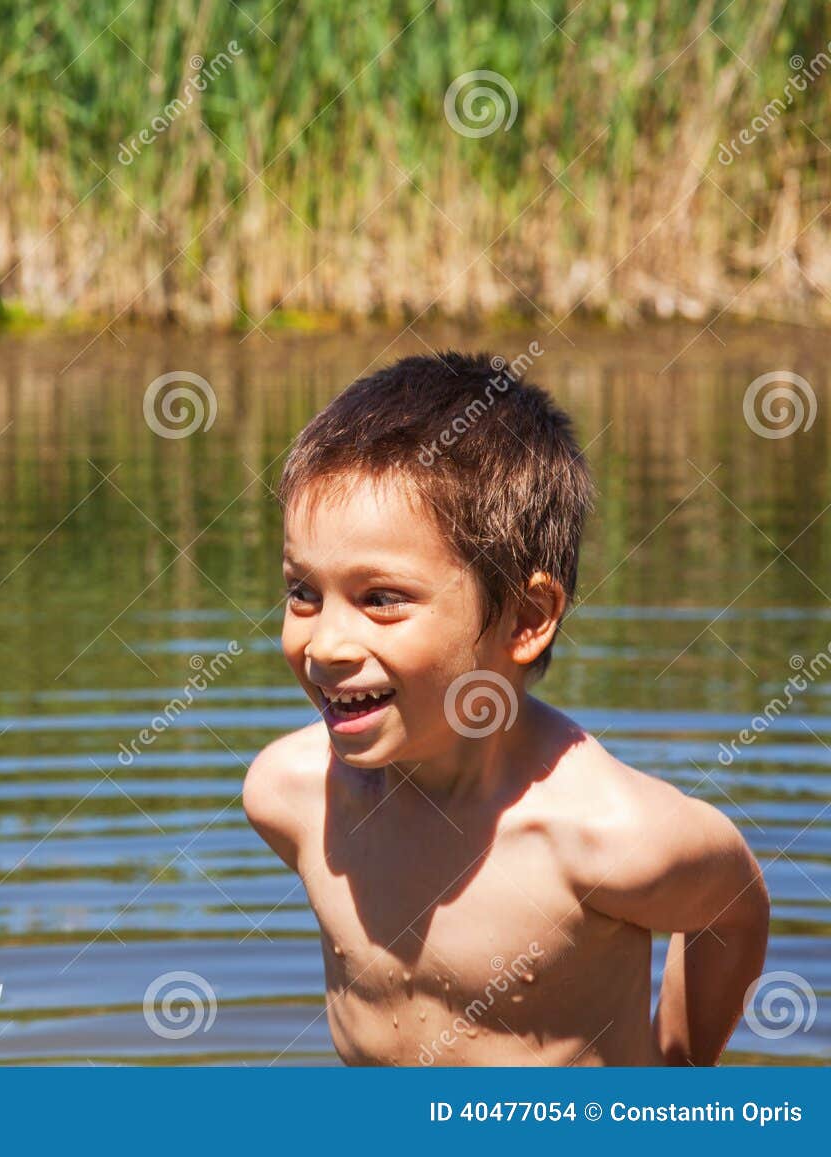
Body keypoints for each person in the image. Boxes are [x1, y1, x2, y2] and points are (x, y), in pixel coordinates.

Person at [242, 352, 769, 1065]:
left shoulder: (607, 838)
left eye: (381, 599)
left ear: (525, 617)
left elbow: (732, 913)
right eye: (303, 591)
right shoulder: (294, 801)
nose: (327, 642)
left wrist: (678, 1076)